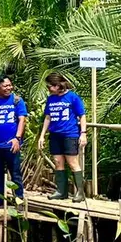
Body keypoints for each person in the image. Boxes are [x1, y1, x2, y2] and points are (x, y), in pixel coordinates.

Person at [38, 73, 88, 202]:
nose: (48, 89)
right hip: (55, 135)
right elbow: (48, 117)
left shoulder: (72, 97)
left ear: (57, 85)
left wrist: (83, 133)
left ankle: (80, 193)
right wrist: (42, 135)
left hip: (70, 134)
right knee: (58, 162)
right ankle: (61, 191)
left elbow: (82, 115)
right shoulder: (51, 99)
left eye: (50, 86)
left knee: (72, 163)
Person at [0, 75, 28, 206]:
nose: (9, 88)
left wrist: (17, 138)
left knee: (15, 174)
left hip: (12, 144)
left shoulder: (17, 101)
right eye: (5, 86)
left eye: (10, 85)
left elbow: (22, 120)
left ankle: (18, 200)